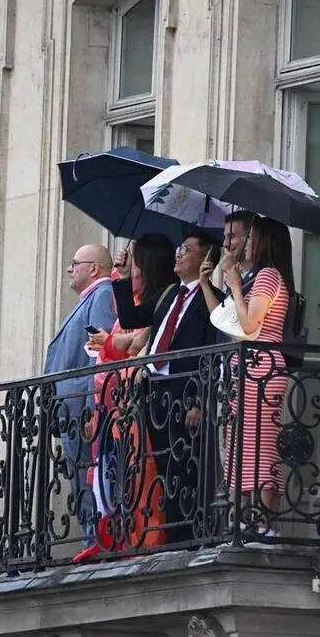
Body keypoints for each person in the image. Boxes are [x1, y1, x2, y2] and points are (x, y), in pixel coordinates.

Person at [114, 229, 224, 544]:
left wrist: (199, 401)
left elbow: (209, 351)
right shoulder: (167, 295)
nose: (178, 253)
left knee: (187, 468)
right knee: (164, 467)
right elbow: (130, 315)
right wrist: (123, 278)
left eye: (186, 249)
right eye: (179, 247)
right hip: (157, 391)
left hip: (185, 394)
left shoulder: (212, 299)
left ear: (205, 258)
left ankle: (189, 536)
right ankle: (174, 535)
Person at [81, 233, 177, 555]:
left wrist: (111, 342)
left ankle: (141, 539)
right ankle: (116, 538)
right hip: (116, 404)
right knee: (119, 478)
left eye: (136, 264)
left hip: (137, 401)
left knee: (139, 477)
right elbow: (129, 326)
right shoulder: (149, 299)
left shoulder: (168, 297)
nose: (132, 270)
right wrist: (121, 278)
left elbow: (134, 343)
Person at [201, 217, 293, 537]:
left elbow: (251, 326)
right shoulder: (257, 277)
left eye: (250, 237)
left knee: (260, 448)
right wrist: (210, 284)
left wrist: (236, 283)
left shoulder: (268, 276)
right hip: (248, 368)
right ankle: (250, 519)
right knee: (241, 448)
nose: (246, 243)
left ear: (264, 240)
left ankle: (263, 523)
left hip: (261, 367)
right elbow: (228, 321)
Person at [43, 244, 118, 545]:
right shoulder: (92, 296)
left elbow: (97, 357)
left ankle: (94, 544)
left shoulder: (101, 295)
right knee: (80, 481)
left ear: (93, 269)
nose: (70, 269)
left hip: (80, 409)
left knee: (86, 480)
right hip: (71, 407)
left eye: (75, 263)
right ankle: (91, 542)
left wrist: (91, 408)